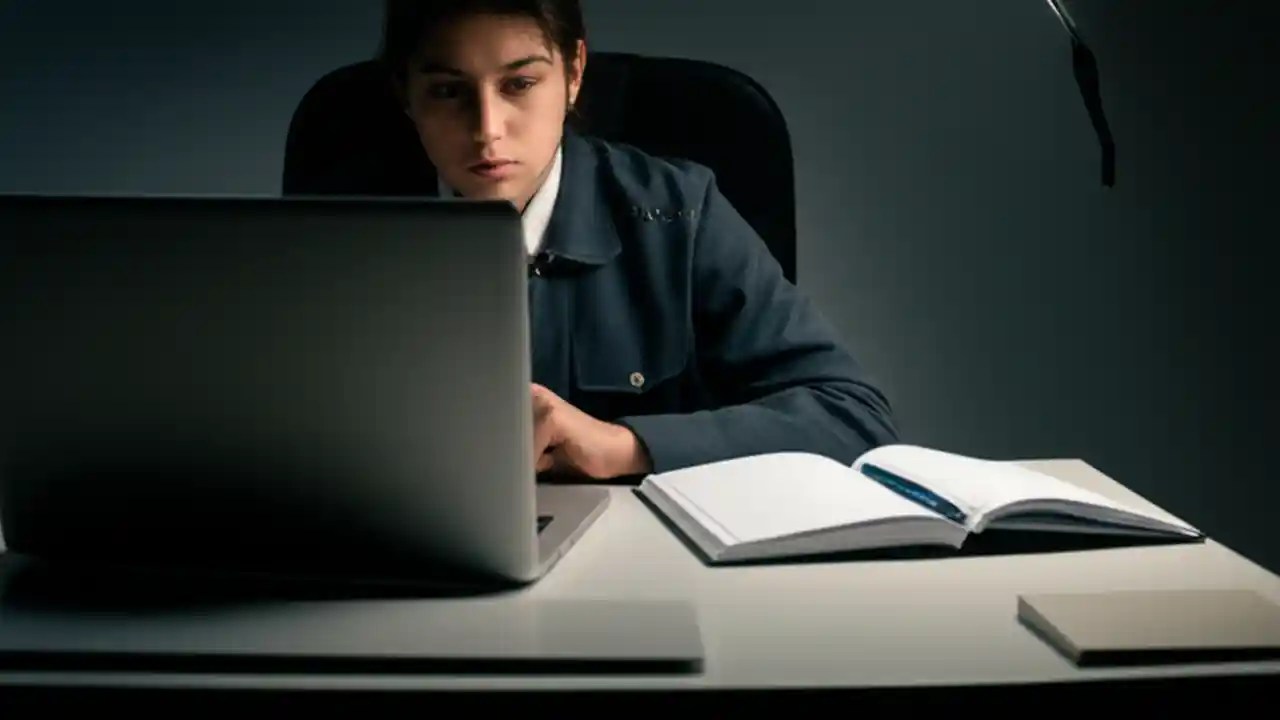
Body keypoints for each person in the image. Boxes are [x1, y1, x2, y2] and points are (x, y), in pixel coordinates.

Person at [378, 0, 898, 480]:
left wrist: (626, 445)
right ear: (405, 91)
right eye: (449, 91)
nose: (487, 129)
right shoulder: (329, 223)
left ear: (573, 72)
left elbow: (851, 417)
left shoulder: (680, 212)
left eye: (519, 84)